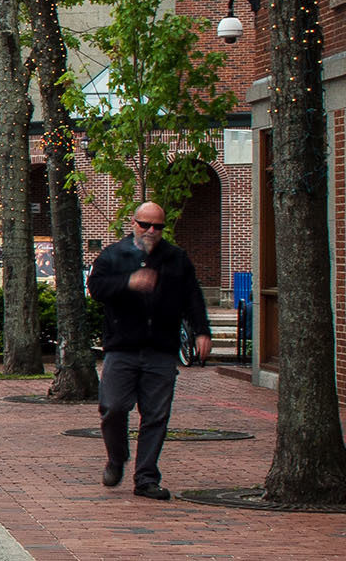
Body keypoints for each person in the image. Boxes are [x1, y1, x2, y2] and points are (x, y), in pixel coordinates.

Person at [87, 202, 211, 501]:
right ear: (134, 223)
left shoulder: (176, 258)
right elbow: (96, 288)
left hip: (161, 349)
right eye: (146, 225)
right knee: (113, 408)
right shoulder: (114, 255)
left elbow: (192, 296)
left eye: (158, 226)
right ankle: (116, 458)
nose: (151, 231)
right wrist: (128, 282)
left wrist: (202, 331)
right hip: (122, 347)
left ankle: (146, 477)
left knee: (156, 415)